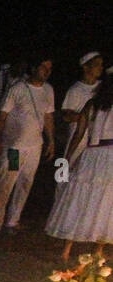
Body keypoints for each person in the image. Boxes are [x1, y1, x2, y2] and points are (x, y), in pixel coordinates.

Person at [45, 78, 113, 258]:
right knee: (105, 201)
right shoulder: (92, 104)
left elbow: (79, 134)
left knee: (81, 198)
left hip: (91, 155)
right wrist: (66, 159)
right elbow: (78, 132)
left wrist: (68, 157)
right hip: (108, 156)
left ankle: (67, 250)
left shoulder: (92, 104)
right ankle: (98, 250)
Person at [0, 57, 55, 233]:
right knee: (6, 183)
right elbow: (1, 117)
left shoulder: (48, 90)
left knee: (25, 183)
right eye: (43, 67)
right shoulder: (17, 89)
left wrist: (51, 140)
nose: (46, 71)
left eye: (49, 68)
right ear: (33, 68)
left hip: (34, 147)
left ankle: (12, 221)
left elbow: (48, 116)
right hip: (15, 147)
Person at [55, 52, 104, 260]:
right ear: (86, 67)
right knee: (63, 182)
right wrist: (85, 116)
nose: (100, 68)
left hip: (96, 145)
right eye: (96, 65)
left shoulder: (103, 89)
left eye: (102, 65)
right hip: (75, 141)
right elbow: (65, 115)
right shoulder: (76, 89)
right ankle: (61, 225)